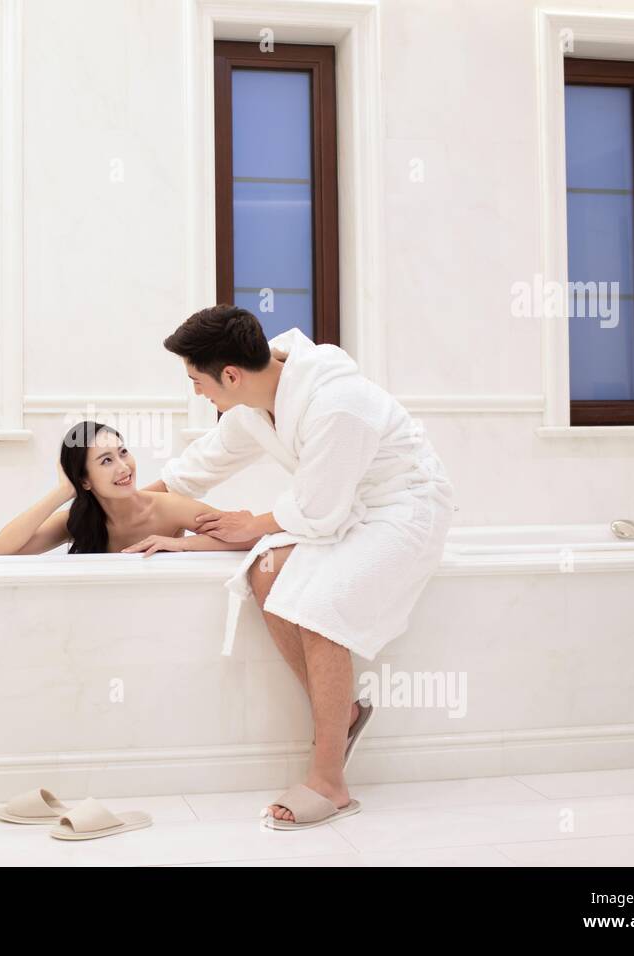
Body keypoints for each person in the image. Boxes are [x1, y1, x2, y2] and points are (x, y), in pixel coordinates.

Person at [141, 304, 456, 828]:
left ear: (231, 375)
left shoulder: (338, 403)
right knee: (265, 569)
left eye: (197, 380)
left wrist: (248, 523)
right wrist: (107, 510)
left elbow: (319, 512)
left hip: (404, 508)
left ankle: (330, 782)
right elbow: (191, 471)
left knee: (318, 604)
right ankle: (344, 714)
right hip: (339, 509)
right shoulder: (252, 404)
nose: (196, 391)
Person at [0, 420, 263, 557]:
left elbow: (246, 537)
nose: (123, 467)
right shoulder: (78, 522)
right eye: (106, 461)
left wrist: (180, 544)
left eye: (123, 452)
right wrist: (62, 492)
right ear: (84, 481)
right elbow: (2, 551)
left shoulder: (169, 507)